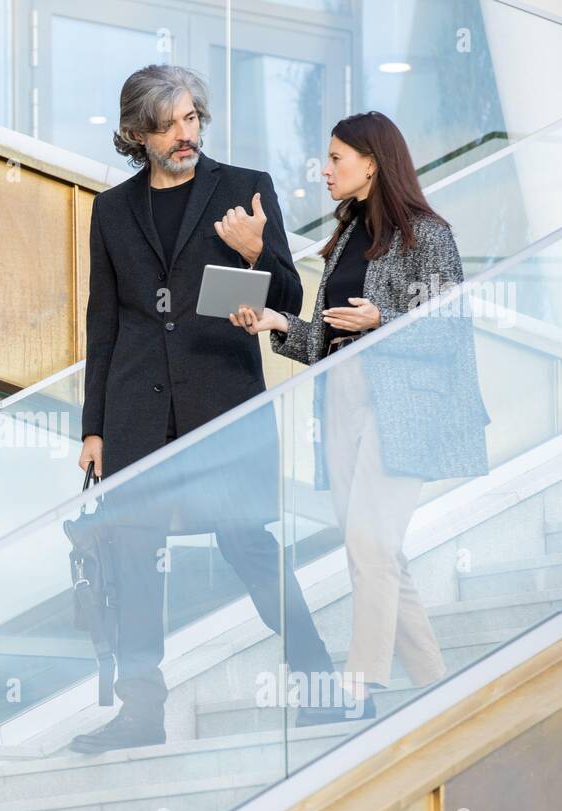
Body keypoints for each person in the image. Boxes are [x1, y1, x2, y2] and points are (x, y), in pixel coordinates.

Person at [70, 64, 339, 755]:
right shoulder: (110, 210)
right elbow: (104, 322)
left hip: (223, 403)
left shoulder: (246, 188)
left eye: (192, 118)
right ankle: (139, 715)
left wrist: (257, 252)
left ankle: (320, 685)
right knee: (132, 555)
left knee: (248, 543)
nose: (184, 135)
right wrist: (93, 426)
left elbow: (287, 300)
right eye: (167, 124)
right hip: (135, 414)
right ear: (136, 133)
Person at [233, 111, 491, 719]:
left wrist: (384, 322)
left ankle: (360, 684)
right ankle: (439, 692)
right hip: (344, 393)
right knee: (379, 554)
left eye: (337, 159)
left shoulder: (427, 233)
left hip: (405, 401)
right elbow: (324, 336)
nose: (325, 170)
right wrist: (277, 324)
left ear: (372, 163)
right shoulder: (347, 235)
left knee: (369, 543)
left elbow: (452, 330)